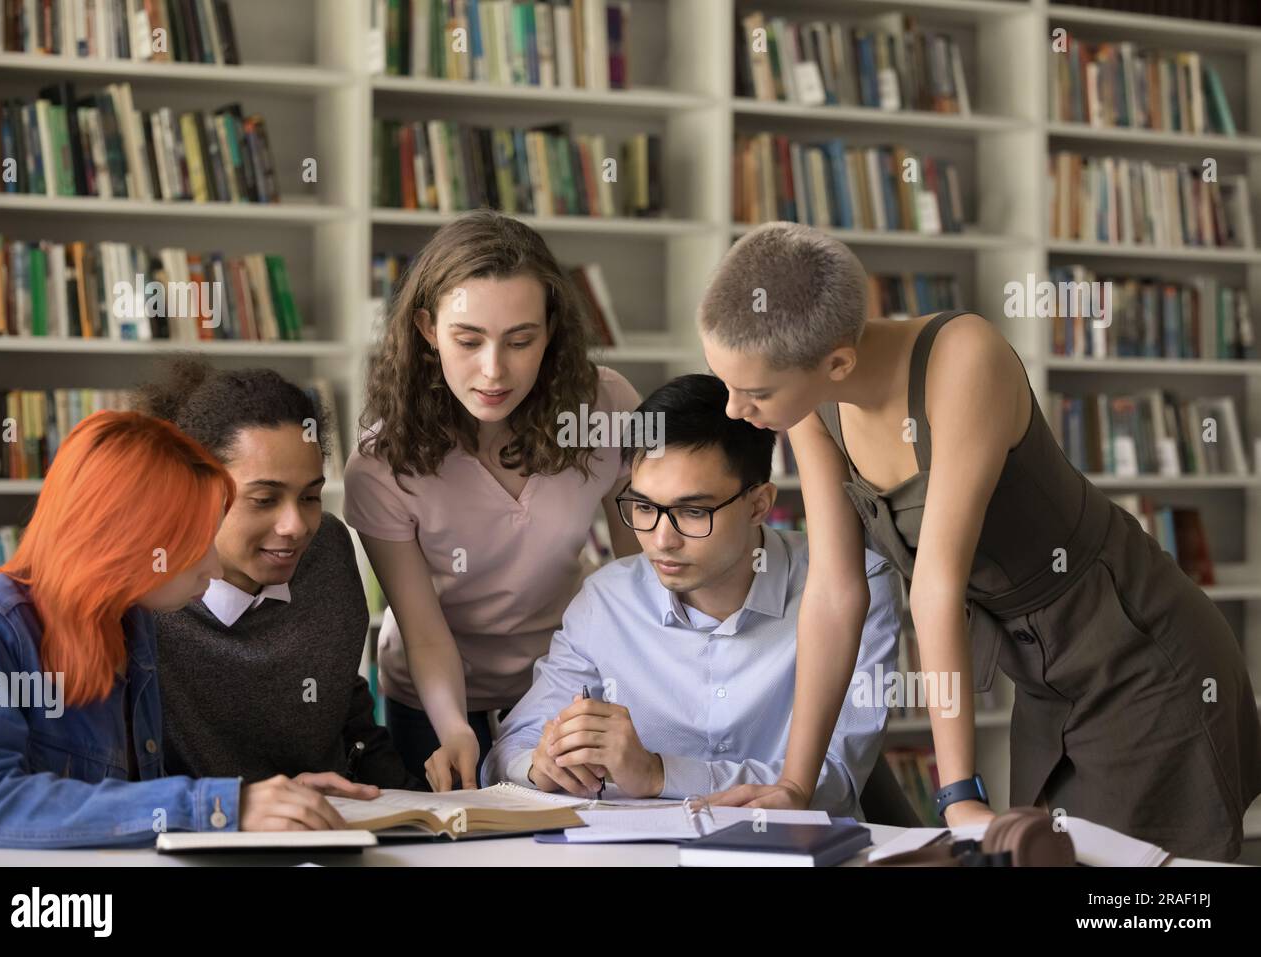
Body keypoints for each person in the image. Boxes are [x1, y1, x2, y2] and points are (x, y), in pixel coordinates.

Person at [697, 222, 1261, 860]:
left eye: (756, 392)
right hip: (1045, 682)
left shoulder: (963, 357)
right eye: (728, 385)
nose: (734, 410)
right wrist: (795, 785)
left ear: (837, 361)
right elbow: (834, 592)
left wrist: (955, 791)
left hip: (1141, 657)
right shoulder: (808, 404)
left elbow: (936, 583)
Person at [483, 374, 901, 816]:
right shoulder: (606, 601)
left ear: (760, 504)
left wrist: (660, 775)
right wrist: (541, 766)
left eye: (693, 511)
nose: (662, 540)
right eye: (644, 507)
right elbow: (509, 750)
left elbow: (833, 779)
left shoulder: (857, 585)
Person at [0, 411, 357, 847]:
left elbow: (133, 803)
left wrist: (269, 800)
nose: (211, 566)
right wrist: (218, 805)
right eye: (194, 541)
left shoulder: (133, 622)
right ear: (128, 537)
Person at [345, 210, 642, 791]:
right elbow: (424, 630)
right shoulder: (383, 461)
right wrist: (456, 728)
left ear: (551, 330)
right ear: (429, 329)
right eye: (467, 339)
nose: (493, 370)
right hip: (430, 701)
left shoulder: (605, 408)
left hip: (563, 685)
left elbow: (639, 578)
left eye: (520, 340)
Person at [137, 360, 419, 789]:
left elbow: (343, 702)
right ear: (195, 489)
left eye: (309, 496)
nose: (297, 526)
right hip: (198, 834)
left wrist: (415, 806)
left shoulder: (327, 548)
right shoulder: (147, 591)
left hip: (328, 825)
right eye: (265, 499)